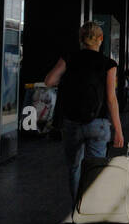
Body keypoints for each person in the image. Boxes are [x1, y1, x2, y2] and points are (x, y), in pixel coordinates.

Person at [45, 21, 124, 208]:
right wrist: (118, 131)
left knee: (74, 168)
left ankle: (77, 209)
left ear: (81, 39)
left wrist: (68, 83)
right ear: (101, 39)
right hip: (99, 123)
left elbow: (49, 81)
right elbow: (111, 99)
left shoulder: (69, 58)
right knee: (94, 168)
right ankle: (92, 212)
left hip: (72, 122)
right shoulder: (108, 64)